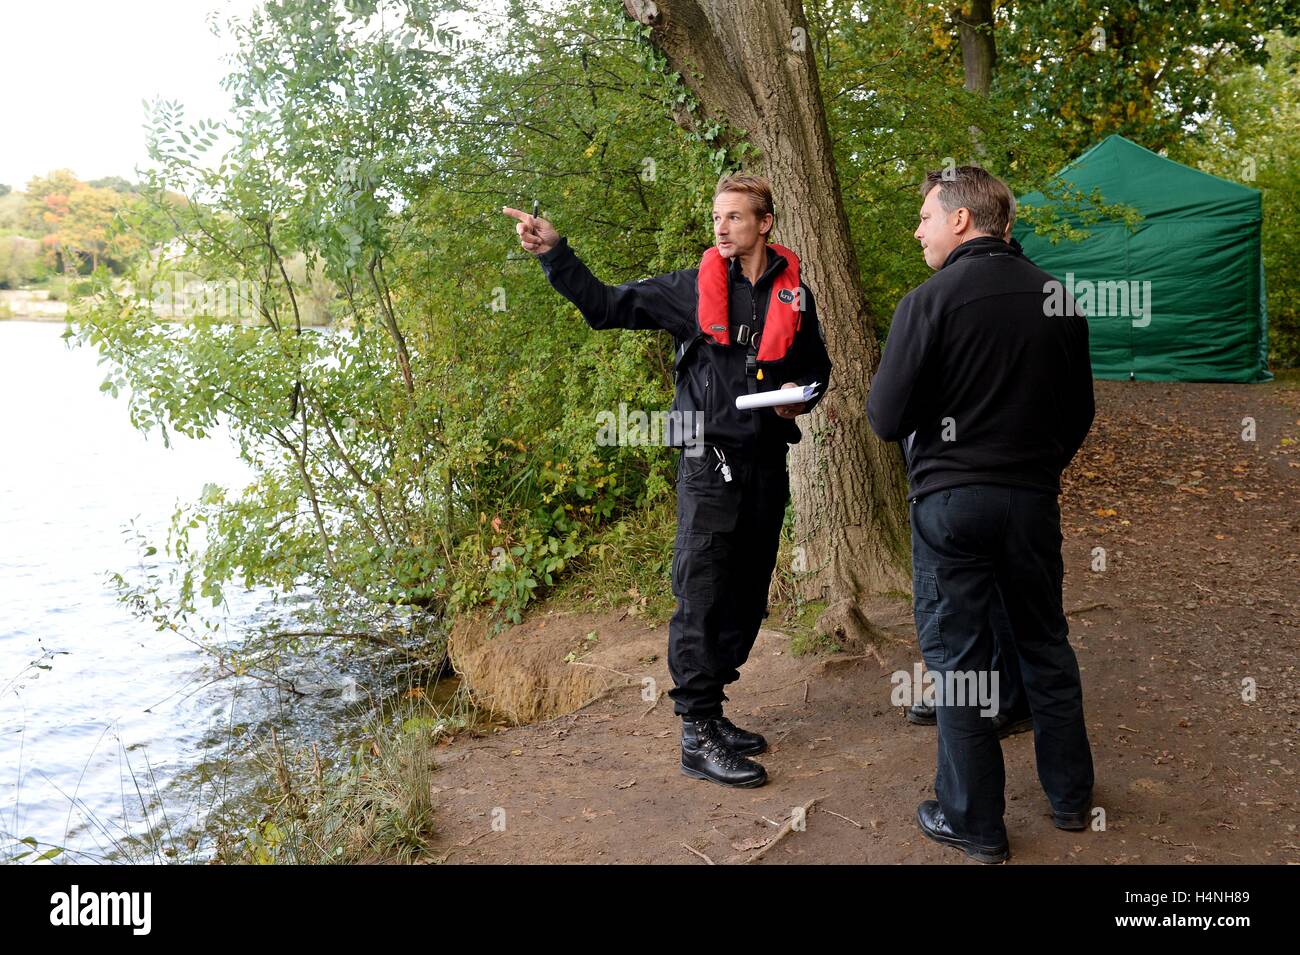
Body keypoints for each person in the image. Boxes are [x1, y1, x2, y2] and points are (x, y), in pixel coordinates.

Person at [503, 172, 832, 789]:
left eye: (735, 216)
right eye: (717, 217)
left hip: (766, 460)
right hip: (707, 461)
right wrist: (556, 254)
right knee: (702, 590)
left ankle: (715, 707)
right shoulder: (689, 290)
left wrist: (801, 401)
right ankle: (696, 731)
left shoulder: (796, 296)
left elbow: (817, 368)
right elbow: (605, 307)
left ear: (764, 224)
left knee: (748, 594)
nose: (722, 226)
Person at [867, 165, 1095, 863]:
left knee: (961, 664)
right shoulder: (1058, 297)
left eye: (926, 217)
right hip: (1029, 502)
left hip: (951, 505)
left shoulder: (928, 301)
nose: (918, 230)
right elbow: (1079, 411)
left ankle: (975, 822)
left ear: (962, 219)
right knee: (1044, 643)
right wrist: (1036, 467)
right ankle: (1071, 800)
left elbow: (883, 416)